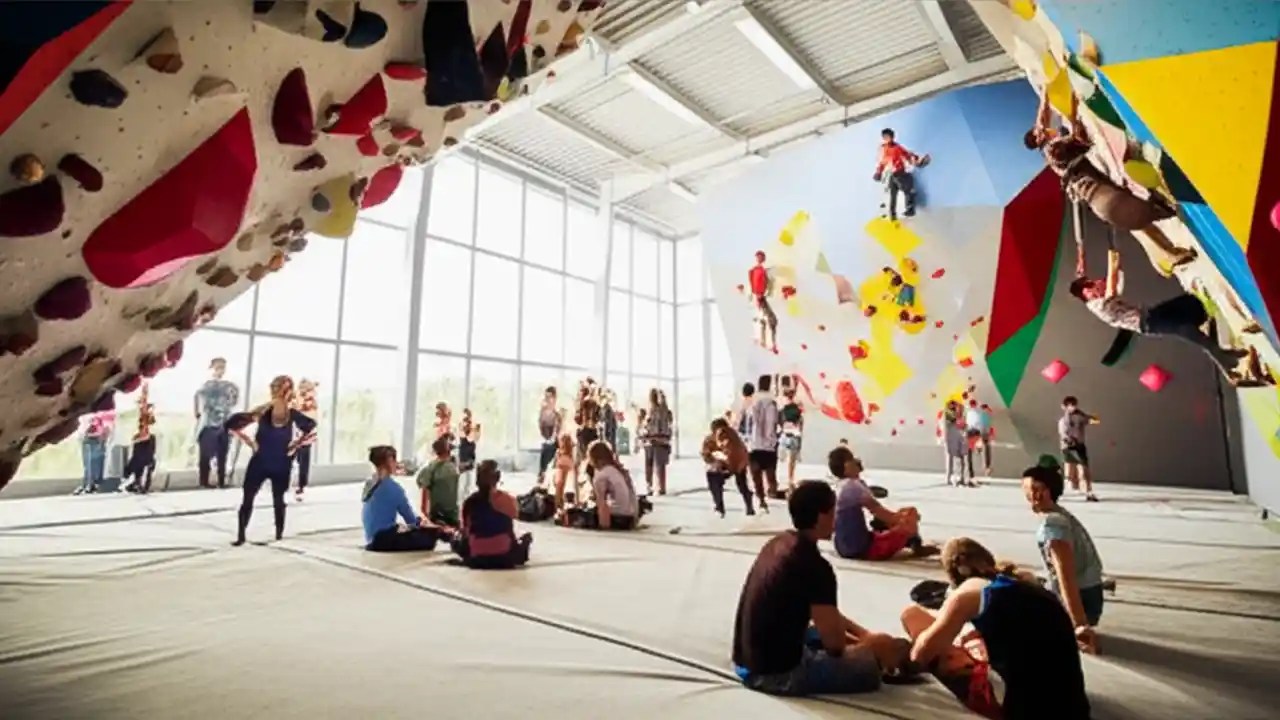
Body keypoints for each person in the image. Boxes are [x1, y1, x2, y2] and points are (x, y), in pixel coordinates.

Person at [732, 481, 910, 696]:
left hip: (746, 660)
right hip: (776, 674)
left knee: (861, 642)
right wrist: (872, 648)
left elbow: (824, 614)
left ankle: (881, 649)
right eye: (833, 512)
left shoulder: (779, 543)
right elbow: (835, 646)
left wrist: (864, 635)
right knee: (872, 664)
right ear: (821, 516)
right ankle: (891, 661)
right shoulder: (816, 567)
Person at [902, 537, 1092, 719]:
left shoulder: (965, 596)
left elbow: (921, 655)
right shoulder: (1025, 583)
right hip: (1074, 708)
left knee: (912, 617)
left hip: (1029, 711)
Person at [1026, 87, 1196, 278]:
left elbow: (1044, 118)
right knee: (1158, 206)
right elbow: (1077, 136)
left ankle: (1169, 255)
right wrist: (1069, 109)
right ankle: (1170, 244)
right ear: (1038, 136)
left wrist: (1046, 97)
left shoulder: (1052, 162)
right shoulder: (1054, 148)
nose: (1048, 128)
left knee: (1142, 227)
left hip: (1100, 206)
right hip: (1107, 196)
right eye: (1041, 131)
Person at [1069, 248, 1266, 386]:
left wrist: (1082, 257)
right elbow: (1111, 288)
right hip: (1148, 323)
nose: (1097, 286)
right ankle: (1225, 361)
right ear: (1087, 293)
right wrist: (1112, 265)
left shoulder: (1091, 295)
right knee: (1186, 330)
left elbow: (1088, 278)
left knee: (1190, 302)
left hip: (1151, 313)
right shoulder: (1097, 306)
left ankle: (1221, 351)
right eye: (1093, 286)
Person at [225, 375, 317, 546]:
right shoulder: (263, 411)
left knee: (278, 499)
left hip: (281, 461)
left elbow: (311, 428)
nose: (278, 392)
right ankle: (241, 535)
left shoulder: (293, 415)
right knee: (248, 497)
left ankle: (278, 535)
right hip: (260, 460)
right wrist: (249, 441)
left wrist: (295, 445)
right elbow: (232, 424)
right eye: (276, 387)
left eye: (281, 389)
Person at [1023, 464, 1105, 652]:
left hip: (1082, 599)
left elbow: (1065, 575)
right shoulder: (1060, 514)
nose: (1028, 497)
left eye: (1033, 490)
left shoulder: (1053, 526)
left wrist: (1079, 624)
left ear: (1045, 492)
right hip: (1089, 594)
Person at [830, 446, 936, 561]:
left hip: (843, 547)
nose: (856, 461)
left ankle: (909, 541)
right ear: (846, 466)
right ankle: (916, 545)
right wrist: (907, 521)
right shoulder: (854, 486)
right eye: (852, 459)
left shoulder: (840, 486)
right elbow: (881, 513)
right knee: (910, 513)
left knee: (890, 522)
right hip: (863, 548)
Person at [453, 460, 533, 569]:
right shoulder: (507, 499)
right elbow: (515, 515)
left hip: (476, 557)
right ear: (498, 477)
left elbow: (465, 530)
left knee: (456, 539)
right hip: (505, 557)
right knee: (525, 537)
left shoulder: (469, 502)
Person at [362, 445, 443, 552]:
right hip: (382, 540)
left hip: (370, 539)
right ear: (389, 461)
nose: (397, 463)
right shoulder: (393, 488)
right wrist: (428, 525)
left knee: (402, 529)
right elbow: (411, 519)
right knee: (430, 535)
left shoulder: (369, 483)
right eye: (394, 460)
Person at [193, 357, 239, 489]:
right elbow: (197, 396)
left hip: (224, 423)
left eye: (222, 367)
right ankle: (204, 481)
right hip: (208, 423)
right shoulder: (206, 384)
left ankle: (221, 480)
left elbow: (235, 398)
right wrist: (197, 412)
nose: (220, 370)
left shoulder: (229, 385)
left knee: (222, 454)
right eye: (218, 367)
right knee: (205, 455)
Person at [587, 440, 640, 530]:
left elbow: (601, 502)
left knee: (585, 514)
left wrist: (603, 526)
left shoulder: (601, 475)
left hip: (617, 516)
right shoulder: (617, 470)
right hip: (630, 516)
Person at [873, 128, 924, 221]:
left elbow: (906, 154)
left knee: (900, 191)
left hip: (896, 174)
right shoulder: (886, 148)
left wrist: (915, 158)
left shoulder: (896, 147)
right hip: (895, 174)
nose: (887, 139)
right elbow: (883, 162)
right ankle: (897, 213)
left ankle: (904, 211)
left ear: (892, 137)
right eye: (885, 137)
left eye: (889, 137)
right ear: (883, 138)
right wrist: (878, 172)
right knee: (899, 192)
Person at [746, 374, 781, 503]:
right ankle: (771, 492)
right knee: (770, 474)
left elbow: (750, 423)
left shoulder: (753, 402)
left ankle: (761, 498)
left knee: (756, 476)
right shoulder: (772, 403)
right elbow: (773, 423)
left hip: (754, 445)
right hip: (769, 446)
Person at [1057, 396, 1099, 501]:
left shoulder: (1080, 417)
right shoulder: (1063, 421)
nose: (1073, 407)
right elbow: (1063, 434)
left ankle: (1088, 492)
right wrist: (1068, 440)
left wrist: (1085, 415)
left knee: (1084, 469)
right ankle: (1061, 491)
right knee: (1069, 472)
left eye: (1074, 404)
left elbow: (1095, 421)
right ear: (1064, 407)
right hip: (1068, 447)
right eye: (1070, 405)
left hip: (1079, 446)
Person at [711, 417, 755, 515]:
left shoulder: (721, 432)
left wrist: (717, 452)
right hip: (741, 461)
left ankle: (719, 506)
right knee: (742, 484)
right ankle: (749, 506)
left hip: (732, 461)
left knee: (714, 479)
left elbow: (724, 447)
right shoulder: (733, 433)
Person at [416, 436, 461, 528]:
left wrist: (425, 513)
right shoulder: (454, 468)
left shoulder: (430, 469)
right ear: (449, 451)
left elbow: (423, 488)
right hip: (453, 514)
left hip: (436, 514)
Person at [123, 383, 157, 494]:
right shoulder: (143, 411)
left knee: (142, 461)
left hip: (145, 438)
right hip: (143, 438)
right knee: (141, 462)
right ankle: (137, 483)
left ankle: (138, 483)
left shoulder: (146, 411)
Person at [290, 378, 319, 501]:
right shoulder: (295, 399)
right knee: (291, 459)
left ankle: (301, 486)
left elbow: (310, 418)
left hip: (305, 437)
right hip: (296, 436)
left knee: (303, 462)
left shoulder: (310, 400)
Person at [75, 409, 114, 495]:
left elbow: (107, 421)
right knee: (88, 463)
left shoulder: (102, 409)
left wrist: (105, 435)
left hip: (97, 437)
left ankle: (92, 484)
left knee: (95, 461)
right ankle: (87, 484)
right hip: (86, 436)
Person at [643, 388, 673, 495]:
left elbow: (647, 426)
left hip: (654, 440)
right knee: (658, 465)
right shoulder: (663, 412)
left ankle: (652, 486)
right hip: (658, 440)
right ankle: (659, 487)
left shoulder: (655, 412)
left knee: (651, 465)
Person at [747, 251, 778, 353]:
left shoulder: (761, 270)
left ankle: (765, 342)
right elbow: (754, 284)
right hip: (760, 297)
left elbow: (767, 283)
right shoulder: (755, 270)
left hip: (761, 297)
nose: (760, 259)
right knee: (770, 320)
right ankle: (769, 343)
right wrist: (758, 295)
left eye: (761, 257)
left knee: (765, 321)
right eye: (758, 257)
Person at [939, 401, 971, 487]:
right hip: (951, 440)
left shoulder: (960, 418)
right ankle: (951, 478)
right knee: (952, 459)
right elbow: (945, 428)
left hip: (959, 441)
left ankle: (960, 478)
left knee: (960, 459)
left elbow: (964, 428)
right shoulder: (948, 417)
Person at [778, 384, 804, 491]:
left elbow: (779, 421)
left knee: (783, 458)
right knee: (792, 460)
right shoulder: (797, 408)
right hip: (794, 434)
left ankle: (786, 479)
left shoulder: (782, 408)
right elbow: (800, 422)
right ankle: (790, 478)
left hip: (784, 433)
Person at [536, 386, 561, 483]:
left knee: (548, 448)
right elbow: (541, 425)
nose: (547, 399)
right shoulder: (543, 410)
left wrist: (553, 438)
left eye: (549, 396)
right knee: (545, 448)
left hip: (557, 439)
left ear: (554, 398)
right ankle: (542, 473)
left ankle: (544, 473)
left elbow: (558, 427)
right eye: (546, 396)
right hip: (547, 437)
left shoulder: (557, 411)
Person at [551, 433, 577, 518]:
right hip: (569, 485)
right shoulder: (570, 456)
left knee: (559, 489)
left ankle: (558, 508)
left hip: (564, 484)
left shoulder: (560, 455)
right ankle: (560, 508)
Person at [964, 400, 992, 479]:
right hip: (973, 432)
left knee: (982, 446)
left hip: (975, 432)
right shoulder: (974, 412)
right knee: (983, 446)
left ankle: (983, 468)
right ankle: (984, 467)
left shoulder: (976, 412)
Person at [456, 407, 480, 497]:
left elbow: (473, 438)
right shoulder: (461, 431)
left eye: (467, 419)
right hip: (462, 461)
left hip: (469, 461)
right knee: (462, 484)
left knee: (468, 484)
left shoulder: (472, 432)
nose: (466, 422)